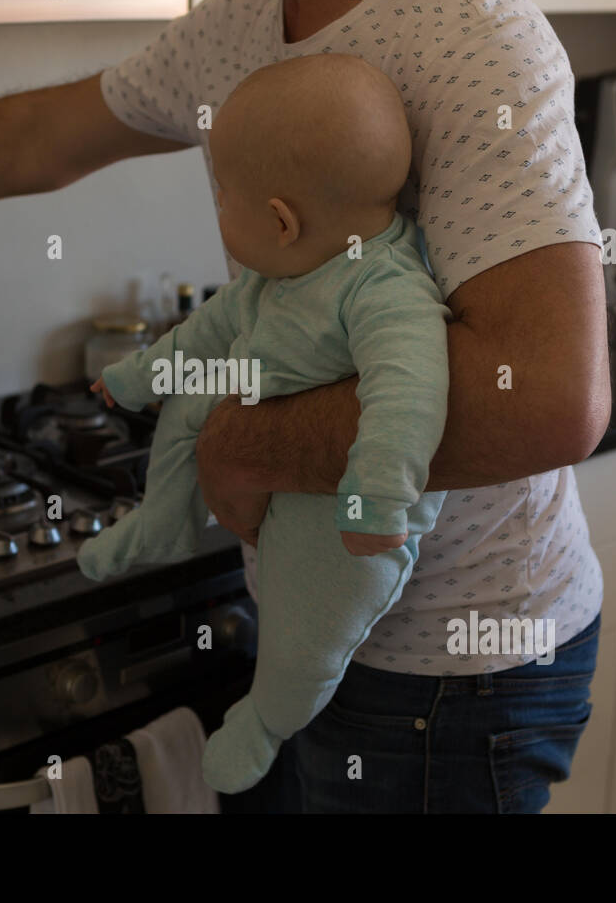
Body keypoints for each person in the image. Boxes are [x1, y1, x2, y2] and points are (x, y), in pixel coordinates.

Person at [0, 0, 611, 813]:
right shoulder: (243, 20)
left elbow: (551, 398)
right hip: (301, 613)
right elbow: (41, 133)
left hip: (450, 676)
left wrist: (244, 443)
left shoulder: (478, 40)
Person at [80, 54, 451, 794]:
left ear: (280, 219)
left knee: (312, 630)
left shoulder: (386, 289)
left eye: (222, 197)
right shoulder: (273, 278)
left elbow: (410, 393)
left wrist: (378, 497)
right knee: (192, 400)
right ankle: (161, 523)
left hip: (339, 516)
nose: (217, 211)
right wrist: (132, 377)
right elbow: (200, 336)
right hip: (262, 448)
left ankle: (267, 718)